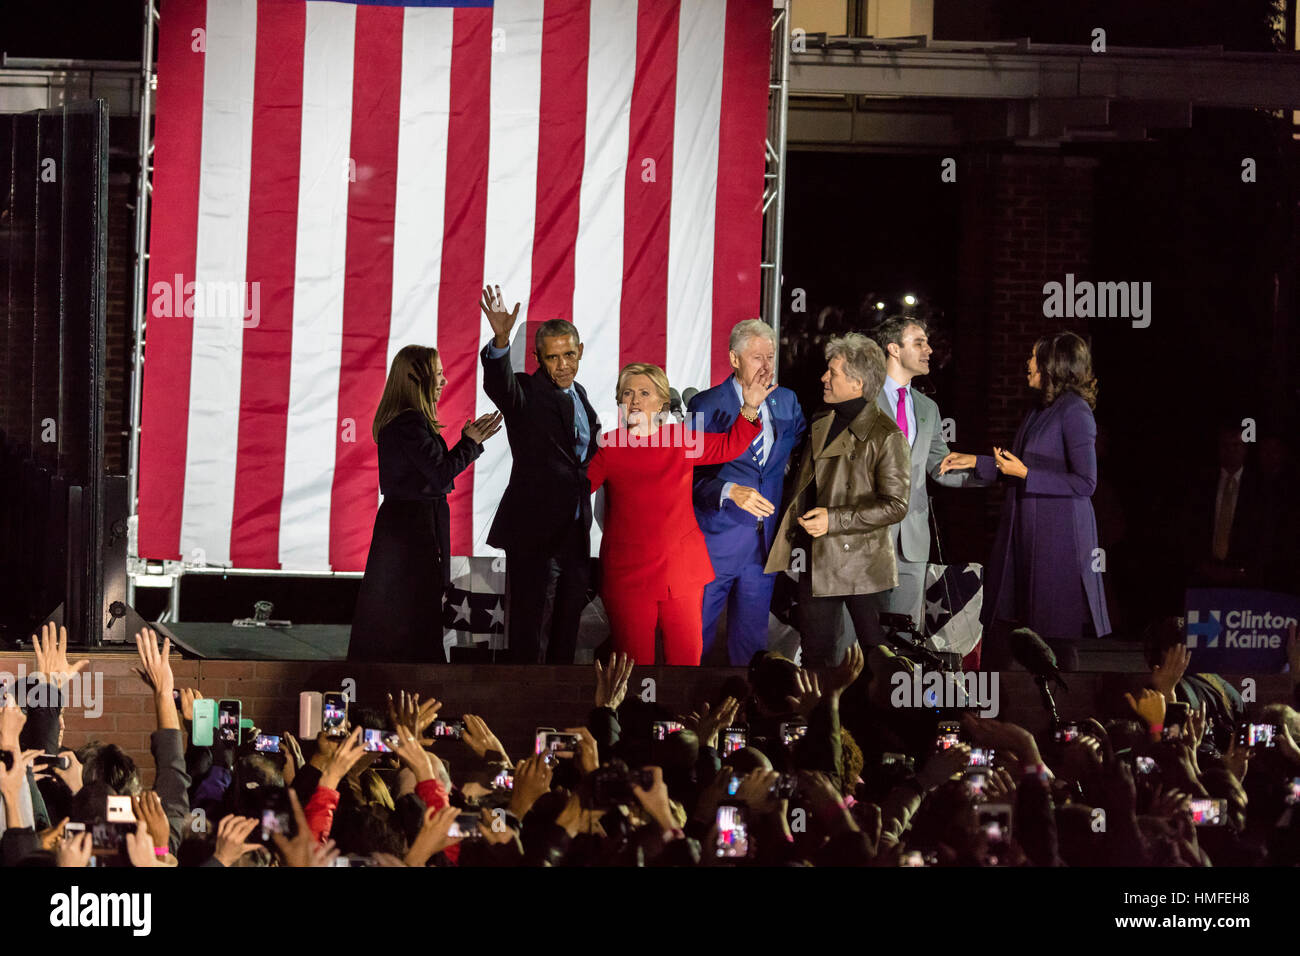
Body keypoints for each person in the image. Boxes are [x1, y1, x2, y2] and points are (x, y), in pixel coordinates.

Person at [939, 331, 1111, 670]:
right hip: (1026, 531)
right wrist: (975, 461)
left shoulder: (1075, 411)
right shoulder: (1041, 408)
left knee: (1054, 637)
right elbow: (1017, 465)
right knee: (1009, 625)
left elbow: (1085, 482)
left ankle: (1064, 710)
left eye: (1034, 357)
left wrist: (1026, 475)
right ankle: (1003, 710)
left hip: (1058, 540)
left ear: (1054, 365)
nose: (1027, 363)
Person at [586, 363, 773, 665]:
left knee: (686, 664)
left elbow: (730, 445)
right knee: (633, 669)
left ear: (661, 402)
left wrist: (750, 407)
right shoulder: (610, 447)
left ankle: (682, 715)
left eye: (644, 393)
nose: (634, 400)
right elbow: (575, 489)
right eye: (627, 393)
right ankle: (635, 714)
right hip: (628, 577)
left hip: (681, 572)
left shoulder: (681, 439)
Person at [347, 347, 502, 662]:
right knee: (409, 614)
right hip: (410, 531)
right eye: (439, 373)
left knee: (407, 613)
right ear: (418, 378)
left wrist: (469, 443)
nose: (445, 380)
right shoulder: (409, 424)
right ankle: (410, 684)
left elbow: (436, 472)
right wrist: (470, 442)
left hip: (411, 525)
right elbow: (440, 472)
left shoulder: (410, 423)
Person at [764, 334, 910, 667]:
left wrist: (834, 519)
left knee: (880, 659)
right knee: (816, 658)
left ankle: (874, 720)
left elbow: (896, 505)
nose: (823, 378)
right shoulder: (820, 419)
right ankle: (823, 719)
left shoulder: (887, 435)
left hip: (866, 567)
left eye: (832, 372)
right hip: (818, 563)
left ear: (858, 383)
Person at [479, 286, 601, 664]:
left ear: (579, 351)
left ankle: (558, 707)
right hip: (534, 534)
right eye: (553, 357)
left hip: (575, 536)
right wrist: (500, 342)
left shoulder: (580, 393)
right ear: (537, 358)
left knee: (566, 628)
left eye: (569, 354)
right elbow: (500, 385)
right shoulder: (528, 391)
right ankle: (520, 702)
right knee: (529, 631)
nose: (563, 364)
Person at [688, 319, 806, 665]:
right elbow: (690, 477)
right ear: (734, 359)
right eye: (757, 357)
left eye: (770, 357)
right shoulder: (705, 406)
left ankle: (751, 711)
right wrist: (728, 489)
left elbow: (795, 457)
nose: (766, 366)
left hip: (764, 546)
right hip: (717, 541)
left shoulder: (787, 401)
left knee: (752, 646)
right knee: (697, 639)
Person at [869, 316, 992, 637]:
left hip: (912, 540)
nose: (929, 350)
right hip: (865, 537)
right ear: (894, 348)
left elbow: (942, 468)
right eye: (919, 342)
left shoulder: (927, 408)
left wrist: (993, 473)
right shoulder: (862, 398)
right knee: (857, 639)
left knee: (905, 638)